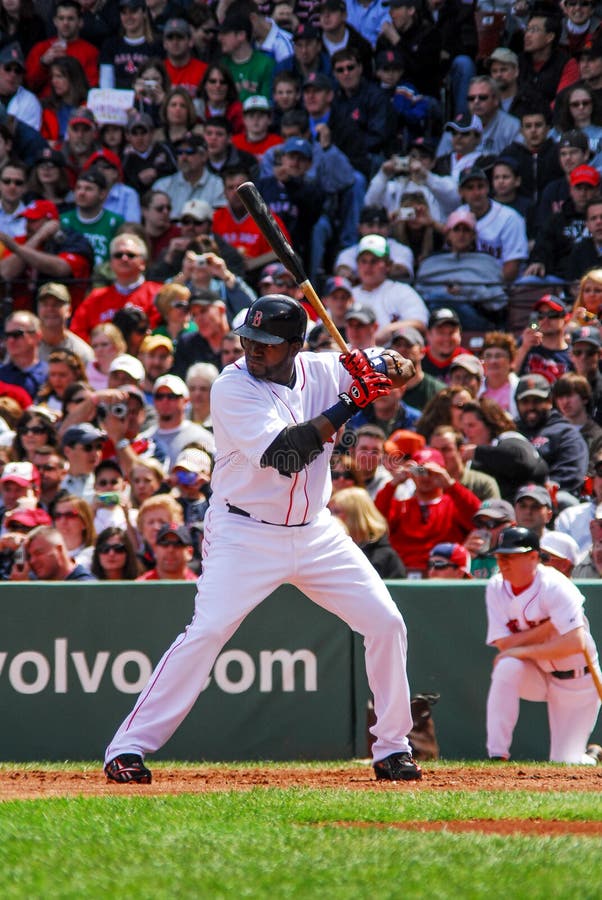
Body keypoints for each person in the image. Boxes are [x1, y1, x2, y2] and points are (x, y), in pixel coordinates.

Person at [104, 294, 422, 785]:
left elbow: (407, 370)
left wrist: (377, 363)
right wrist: (352, 400)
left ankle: (392, 747)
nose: (253, 347)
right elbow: (286, 456)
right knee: (207, 632)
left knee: (386, 623)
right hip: (244, 531)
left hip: (316, 531)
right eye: (248, 338)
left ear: (295, 345)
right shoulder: (233, 387)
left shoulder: (321, 368)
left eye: (268, 342)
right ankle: (127, 746)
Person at [484, 525, 600, 765]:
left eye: (510, 556)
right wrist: (547, 628)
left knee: (565, 762)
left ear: (534, 557)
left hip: (577, 680)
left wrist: (521, 649)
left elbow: (574, 643)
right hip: (538, 673)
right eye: (500, 556)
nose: (503, 562)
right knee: (507, 666)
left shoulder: (555, 585)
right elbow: (504, 644)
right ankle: (497, 755)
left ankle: (590, 756)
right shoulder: (496, 587)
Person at [375, 446, 481, 575]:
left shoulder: (453, 504)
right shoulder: (401, 506)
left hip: (442, 575)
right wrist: (393, 484)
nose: (425, 477)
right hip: (403, 575)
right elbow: (375, 523)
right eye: (420, 471)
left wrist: (449, 484)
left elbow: (479, 518)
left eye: (431, 472)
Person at [514, 373, 589, 498]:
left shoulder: (565, 432)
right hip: (513, 498)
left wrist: (539, 490)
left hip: (549, 500)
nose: (531, 407)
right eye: (525, 402)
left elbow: (572, 473)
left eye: (537, 401)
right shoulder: (511, 431)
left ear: (549, 401)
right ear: (517, 403)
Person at [328, 486, 406, 579]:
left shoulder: (386, 556)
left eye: (336, 512)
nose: (330, 517)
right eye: (330, 512)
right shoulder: (331, 550)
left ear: (356, 516)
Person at [24, 0, 99, 98]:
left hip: (76, 105)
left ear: (80, 22)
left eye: (70, 19)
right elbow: (28, 86)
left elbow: (91, 88)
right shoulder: (40, 48)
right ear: (55, 21)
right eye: (61, 18)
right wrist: (43, 63)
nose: (65, 23)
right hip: (44, 105)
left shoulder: (91, 51)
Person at [36, 282, 94, 366]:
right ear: (38, 309)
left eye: (56, 304)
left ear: (69, 310)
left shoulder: (81, 352)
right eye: (45, 304)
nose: (50, 309)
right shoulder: (27, 347)